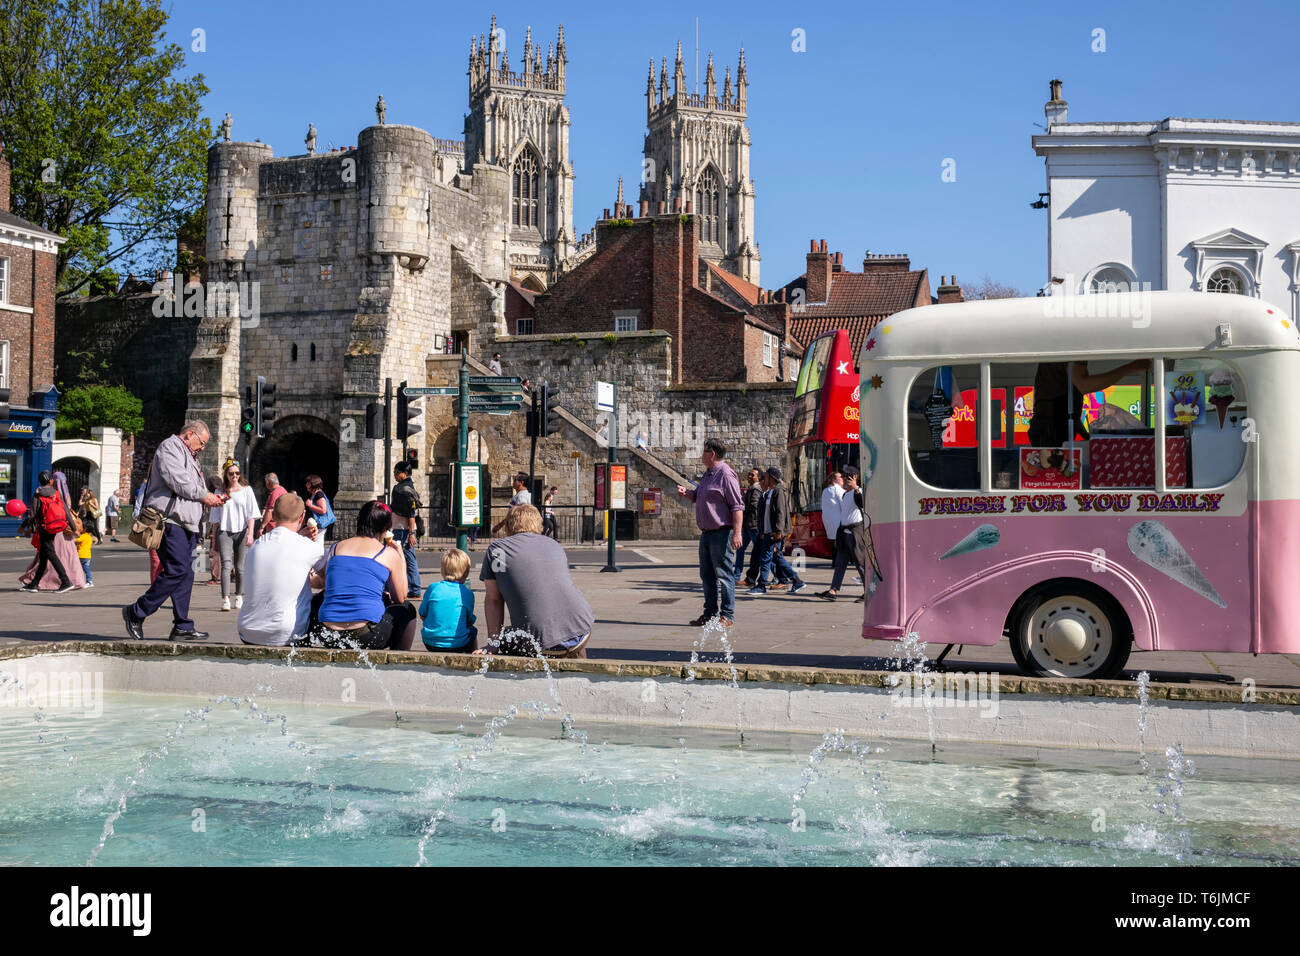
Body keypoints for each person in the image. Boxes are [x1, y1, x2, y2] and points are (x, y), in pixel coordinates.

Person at [121, 421, 224, 641]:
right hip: (170, 521)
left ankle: (182, 625)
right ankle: (136, 611)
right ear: (189, 434)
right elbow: (178, 481)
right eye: (202, 442)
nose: (203, 448)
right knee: (177, 570)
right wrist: (205, 495)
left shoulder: (189, 455)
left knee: (186, 574)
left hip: (186, 524)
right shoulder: (170, 447)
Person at [473, 504, 594, 658]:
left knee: (508, 637)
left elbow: (494, 599)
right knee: (568, 637)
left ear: (509, 524)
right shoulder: (554, 545)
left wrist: (493, 643)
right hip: (582, 628)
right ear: (539, 524)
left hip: (540, 639)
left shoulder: (497, 550)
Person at [309, 499, 418, 650]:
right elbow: (400, 597)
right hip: (365, 635)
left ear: (358, 521)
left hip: (329, 634)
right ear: (387, 527)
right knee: (407, 609)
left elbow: (331, 587)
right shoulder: (387, 553)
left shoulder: (336, 548)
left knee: (318, 599)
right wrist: (401, 557)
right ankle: (398, 659)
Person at [237, 492, 325, 646]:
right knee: (326, 596)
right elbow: (325, 580)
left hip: (247, 631)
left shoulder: (257, 545)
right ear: (302, 517)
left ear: (274, 516)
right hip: (286, 634)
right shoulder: (308, 547)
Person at [676, 437, 744, 628]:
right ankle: (710, 614)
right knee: (707, 576)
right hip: (706, 534)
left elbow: (737, 506)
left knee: (724, 575)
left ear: (712, 454)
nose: (701, 455)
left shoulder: (726, 474)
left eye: (704, 451)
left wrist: (737, 534)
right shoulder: (707, 474)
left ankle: (727, 615)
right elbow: (698, 496)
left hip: (722, 533)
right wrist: (686, 493)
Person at [1027, 360, 1150, 447]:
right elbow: (1084, 385)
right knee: (1054, 473)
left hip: (1049, 423)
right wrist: (1131, 368)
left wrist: (1084, 434)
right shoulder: (1074, 343)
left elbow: (1060, 402)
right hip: (1051, 428)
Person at [748, 466, 806, 595]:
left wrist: (779, 531)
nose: (764, 479)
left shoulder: (778, 491)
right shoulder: (769, 492)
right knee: (776, 557)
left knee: (765, 557)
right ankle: (796, 580)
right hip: (768, 531)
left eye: (766, 477)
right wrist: (763, 530)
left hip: (775, 532)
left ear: (772, 478)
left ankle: (762, 585)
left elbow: (781, 512)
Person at [19, 470, 78, 593]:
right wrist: (74, 528)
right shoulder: (56, 493)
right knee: (44, 556)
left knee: (51, 555)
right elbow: (66, 511)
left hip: (44, 529)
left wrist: (24, 526)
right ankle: (34, 583)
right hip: (55, 527)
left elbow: (32, 514)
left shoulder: (38, 495)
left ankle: (66, 581)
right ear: (50, 481)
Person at [819, 466, 869, 602]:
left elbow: (862, 504)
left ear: (855, 478)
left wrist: (856, 488)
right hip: (844, 532)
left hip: (855, 532)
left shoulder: (859, 492)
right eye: (845, 476)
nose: (846, 479)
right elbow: (843, 514)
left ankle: (868, 591)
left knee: (860, 563)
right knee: (840, 563)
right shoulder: (845, 494)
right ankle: (833, 590)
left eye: (849, 476)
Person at [216, 459, 259, 611]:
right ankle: (225, 599)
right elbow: (215, 515)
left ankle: (239, 595)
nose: (234, 476)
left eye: (237, 473)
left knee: (240, 567)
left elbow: (252, 514)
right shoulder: (220, 492)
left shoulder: (247, 490)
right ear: (226, 474)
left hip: (242, 531)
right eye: (231, 473)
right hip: (224, 531)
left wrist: (251, 534)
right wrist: (213, 535)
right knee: (226, 565)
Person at [419, 548, 477, 651]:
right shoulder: (467, 593)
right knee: (473, 631)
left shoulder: (433, 588)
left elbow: (422, 613)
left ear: (443, 570)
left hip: (430, 642)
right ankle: (473, 656)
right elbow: (469, 621)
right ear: (466, 572)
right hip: (458, 643)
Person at [389, 461, 423, 598]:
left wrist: (411, 534)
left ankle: (414, 588)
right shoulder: (407, 487)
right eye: (394, 472)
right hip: (402, 529)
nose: (395, 475)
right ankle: (408, 587)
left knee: (408, 559)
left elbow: (411, 513)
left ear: (405, 473)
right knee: (404, 559)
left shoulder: (402, 490)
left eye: (397, 472)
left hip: (403, 530)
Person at [734, 468, 763, 587]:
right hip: (747, 526)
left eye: (753, 475)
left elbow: (755, 505)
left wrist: (742, 506)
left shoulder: (756, 489)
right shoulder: (752, 489)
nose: (750, 476)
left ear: (758, 478)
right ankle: (736, 575)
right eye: (749, 474)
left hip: (753, 525)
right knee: (740, 549)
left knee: (761, 552)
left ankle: (778, 576)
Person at [304, 475, 336, 541]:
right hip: (318, 525)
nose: (306, 485)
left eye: (308, 483)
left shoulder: (319, 494)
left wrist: (310, 505)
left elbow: (323, 510)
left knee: (318, 542)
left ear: (313, 484)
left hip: (321, 525)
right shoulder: (315, 494)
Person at [820, 470, 844, 553]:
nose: (842, 478)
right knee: (840, 541)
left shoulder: (825, 490)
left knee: (834, 540)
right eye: (840, 477)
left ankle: (835, 561)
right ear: (834, 480)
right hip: (838, 519)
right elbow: (844, 503)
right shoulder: (837, 489)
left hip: (828, 519)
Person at [75, 520, 94, 588]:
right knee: (86, 569)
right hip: (88, 556)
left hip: (81, 555)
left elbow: (76, 540)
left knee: (77, 568)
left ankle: (79, 581)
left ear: (85, 528)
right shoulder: (89, 537)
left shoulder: (83, 536)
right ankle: (89, 581)